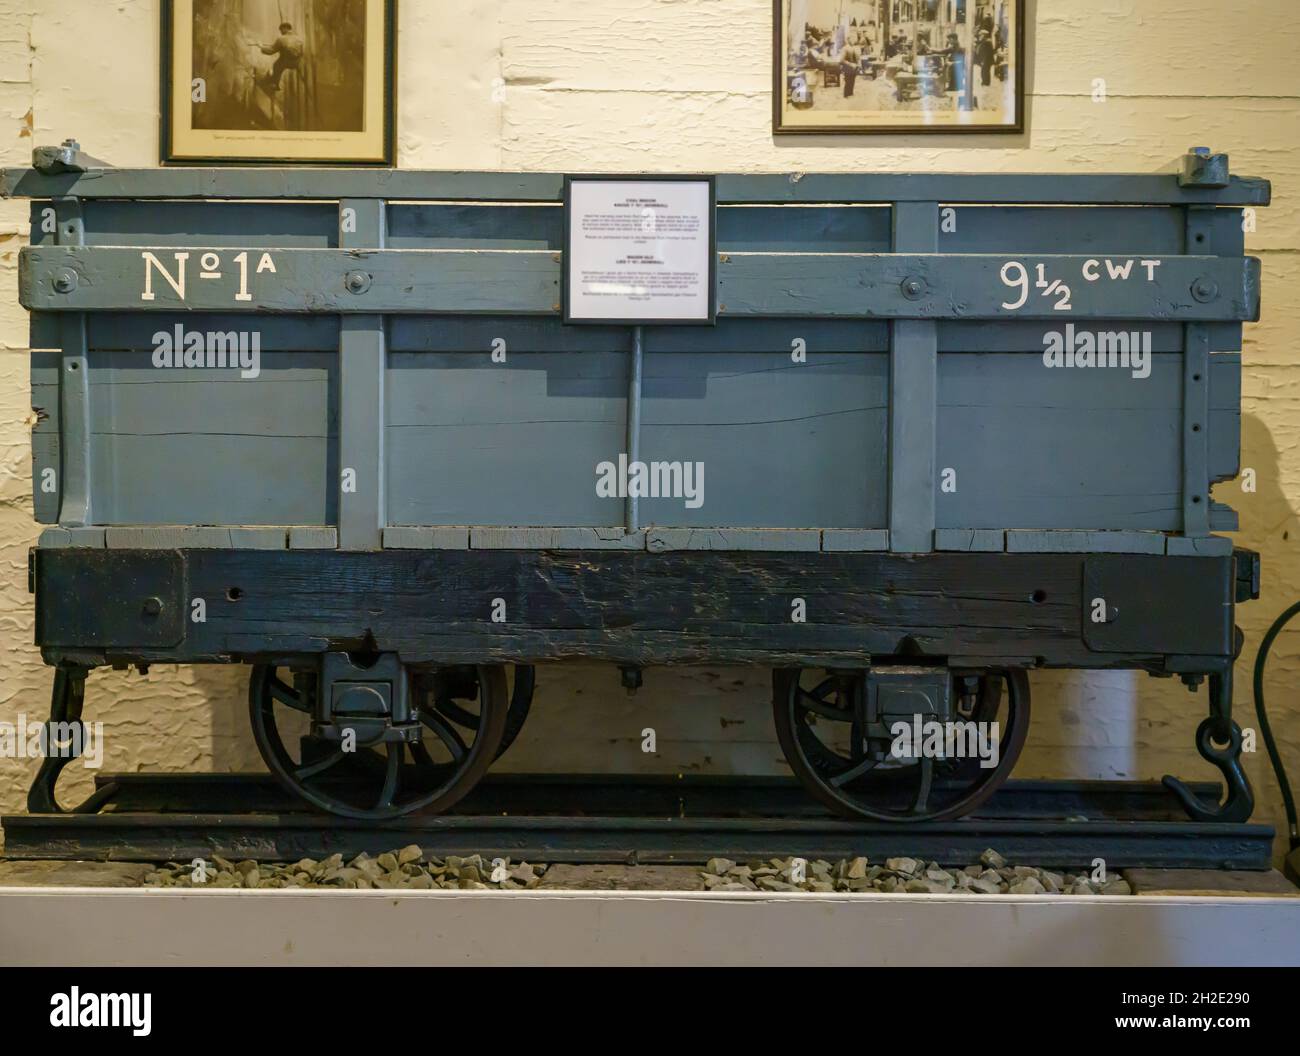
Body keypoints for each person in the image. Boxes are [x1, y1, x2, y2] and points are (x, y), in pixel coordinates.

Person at [256, 21, 304, 93]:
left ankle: (275, 84)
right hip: (297, 62)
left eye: (281, 30)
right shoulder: (299, 39)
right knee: (281, 60)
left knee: (276, 65)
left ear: (285, 28)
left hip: (286, 62)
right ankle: (271, 80)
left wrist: (261, 47)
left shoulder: (281, 39)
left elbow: (271, 51)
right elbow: (301, 51)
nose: (281, 32)